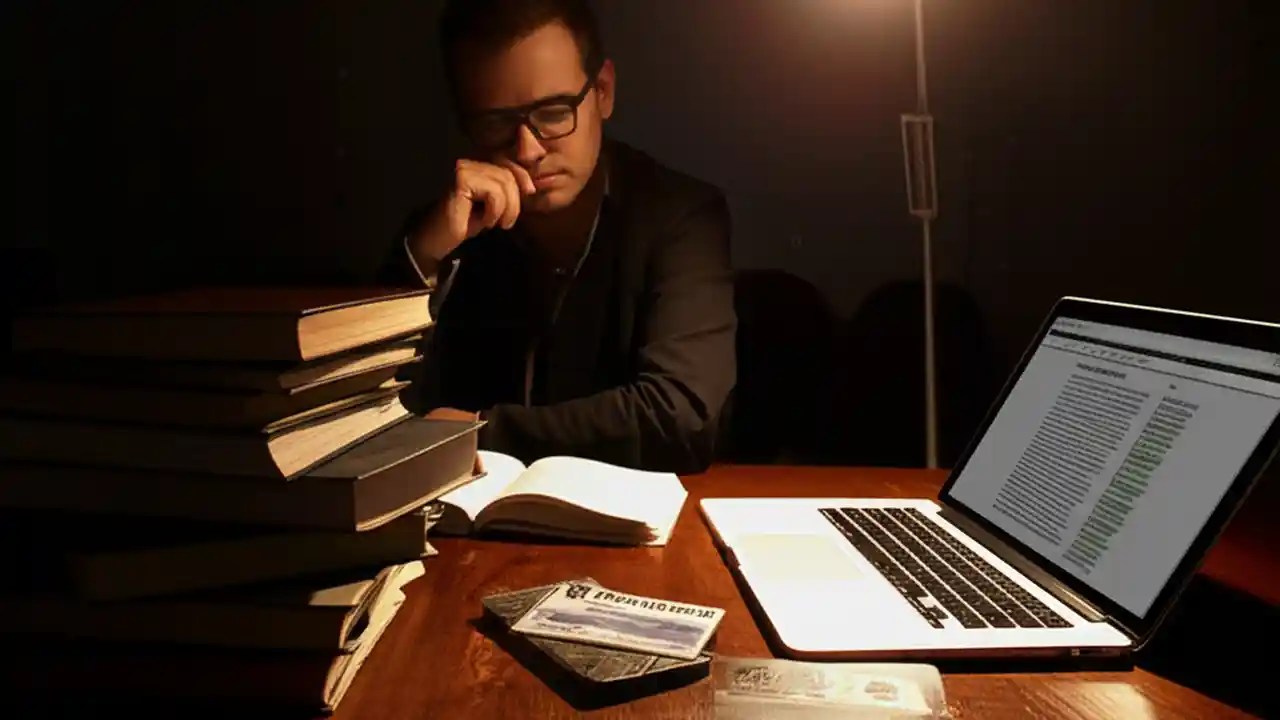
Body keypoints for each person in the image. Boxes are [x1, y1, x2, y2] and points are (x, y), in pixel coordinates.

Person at [381, 0, 736, 474]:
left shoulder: (681, 216)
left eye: (552, 112)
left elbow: (679, 419)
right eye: (497, 123)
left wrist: (480, 432)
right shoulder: (451, 230)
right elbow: (364, 418)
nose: (527, 150)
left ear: (603, 92)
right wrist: (423, 256)